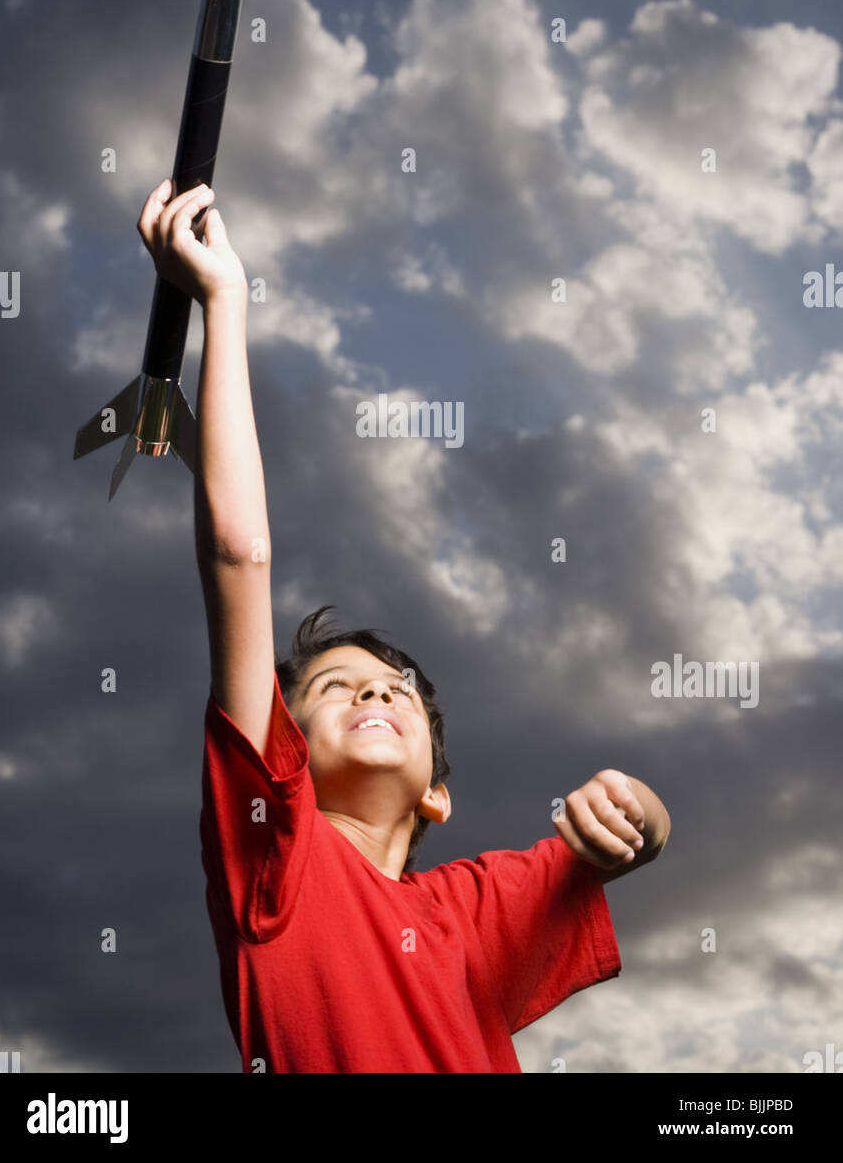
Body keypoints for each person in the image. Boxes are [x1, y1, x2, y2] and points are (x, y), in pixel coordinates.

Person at [137, 178, 672, 1074]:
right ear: (285, 754)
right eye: (333, 688)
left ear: (438, 797)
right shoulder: (279, 860)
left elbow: (645, 841)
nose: (377, 690)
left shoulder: (471, 913)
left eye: (398, 692)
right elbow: (239, 553)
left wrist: (634, 811)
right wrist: (225, 301)